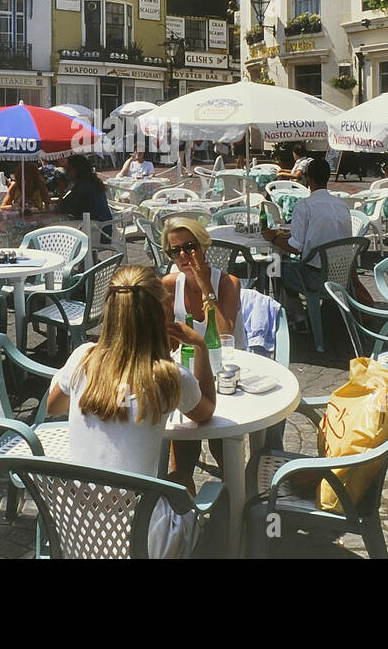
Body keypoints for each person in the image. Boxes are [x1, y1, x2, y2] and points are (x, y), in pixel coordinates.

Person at [45, 264, 217, 557]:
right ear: (158, 319)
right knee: (183, 480)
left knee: (170, 481)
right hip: (142, 540)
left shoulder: (82, 359)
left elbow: (53, 407)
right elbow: (205, 413)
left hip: (79, 530)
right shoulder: (169, 377)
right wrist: (200, 346)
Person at [160, 215, 244, 489]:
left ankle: (233, 498)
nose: (184, 255)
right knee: (184, 443)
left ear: (204, 246)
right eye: (176, 250)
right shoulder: (169, 286)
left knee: (223, 443)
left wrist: (206, 285)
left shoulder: (229, 283)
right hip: (188, 375)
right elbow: (163, 342)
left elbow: (223, 336)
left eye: (190, 246)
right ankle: (185, 508)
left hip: (227, 377)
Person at [261, 157, 352, 323]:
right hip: (342, 273)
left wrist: (273, 237)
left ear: (307, 179)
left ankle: (296, 314)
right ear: (328, 178)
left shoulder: (305, 206)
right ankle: (305, 313)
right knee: (285, 263)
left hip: (316, 277)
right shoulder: (342, 205)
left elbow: (296, 248)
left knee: (275, 266)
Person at [59, 154, 111, 222]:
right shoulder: (93, 180)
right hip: (105, 225)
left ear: (76, 169)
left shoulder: (82, 185)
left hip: (93, 228)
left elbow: (64, 207)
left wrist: (60, 190)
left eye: (68, 169)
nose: (68, 172)